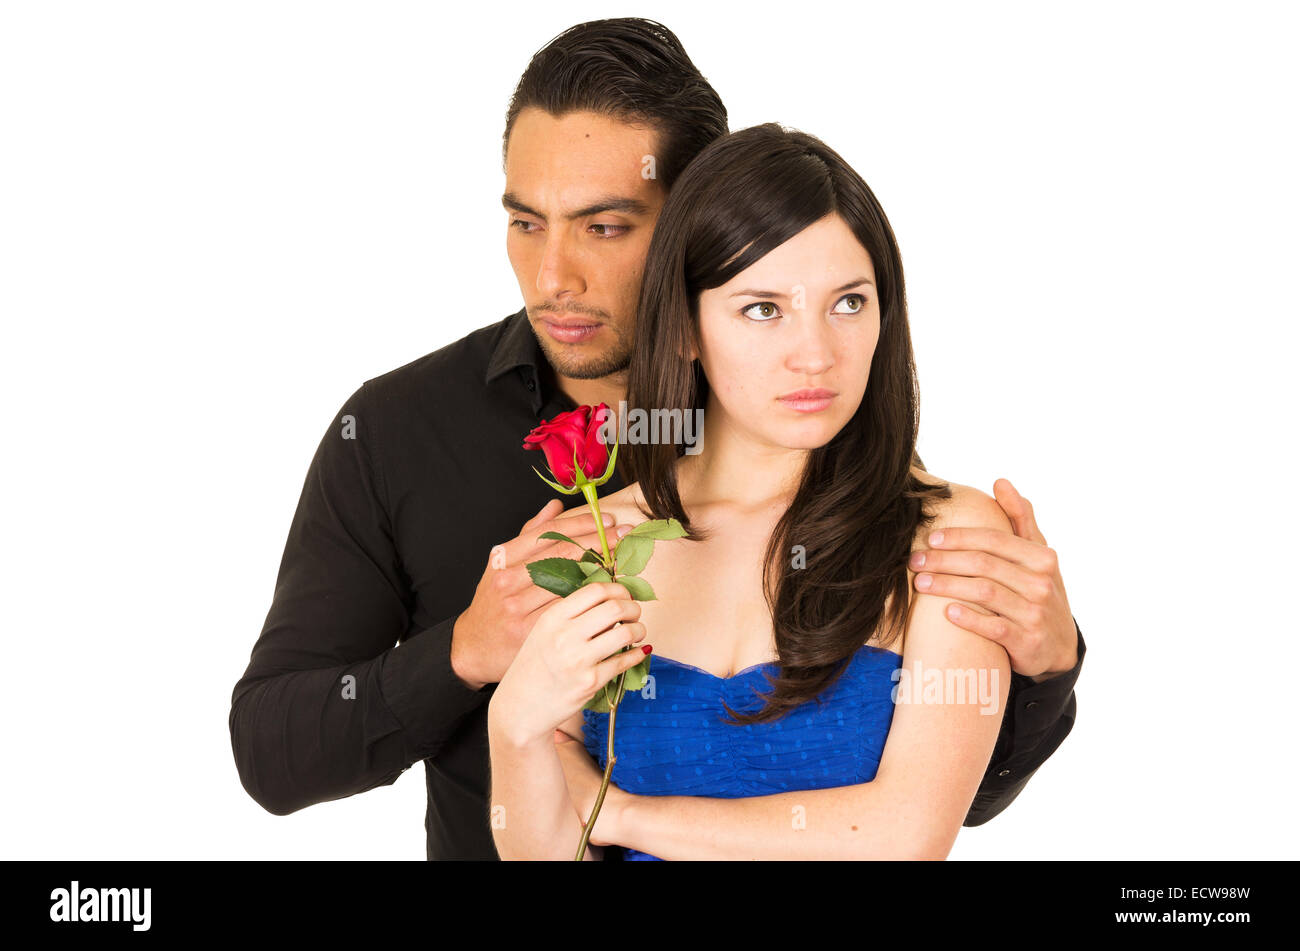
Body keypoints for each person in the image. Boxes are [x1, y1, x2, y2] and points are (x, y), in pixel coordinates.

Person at [229, 17, 1084, 861]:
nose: (553, 276)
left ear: (696, 218)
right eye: (528, 222)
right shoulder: (407, 434)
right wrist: (471, 657)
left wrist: (1047, 670)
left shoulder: (875, 480)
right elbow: (274, 751)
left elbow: (931, 808)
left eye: (605, 226)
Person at [490, 121, 1020, 860]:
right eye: (763, 309)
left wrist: (625, 816)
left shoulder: (950, 535)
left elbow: (905, 837)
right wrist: (511, 724)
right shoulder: (599, 544)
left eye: (848, 302)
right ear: (684, 330)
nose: (816, 354)